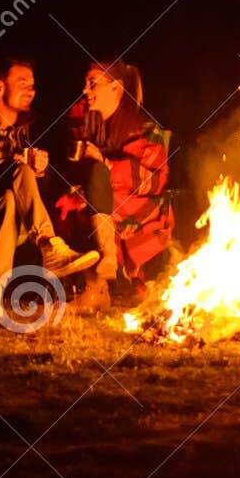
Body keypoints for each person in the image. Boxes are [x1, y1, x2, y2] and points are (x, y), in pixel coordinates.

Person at [0, 58, 98, 318]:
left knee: (12, 198)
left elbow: (39, 194)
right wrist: (11, 165)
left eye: (33, 85)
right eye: (22, 84)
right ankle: (48, 244)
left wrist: (40, 171)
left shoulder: (28, 129)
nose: (30, 91)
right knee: (15, 180)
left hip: (11, 212)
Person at [57, 58, 172, 311]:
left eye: (92, 84)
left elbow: (155, 179)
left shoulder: (140, 128)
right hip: (99, 201)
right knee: (75, 201)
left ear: (115, 87)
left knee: (95, 179)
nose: (86, 91)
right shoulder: (88, 122)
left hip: (137, 206)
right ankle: (97, 289)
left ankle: (105, 273)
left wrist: (105, 164)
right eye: (85, 84)